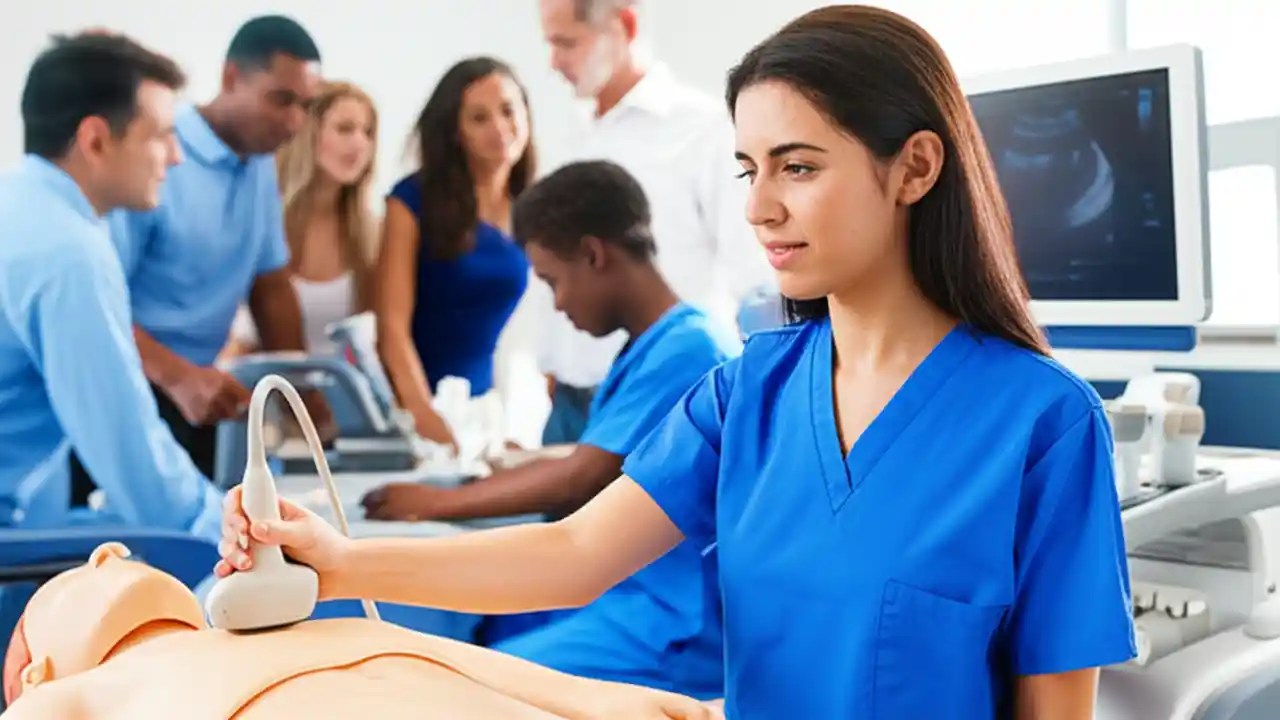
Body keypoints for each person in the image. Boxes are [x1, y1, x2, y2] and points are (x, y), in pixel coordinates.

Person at [216, 5, 1138, 718]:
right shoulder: (748, 394)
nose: (759, 207)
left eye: (798, 167)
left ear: (916, 168)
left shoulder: (1042, 425)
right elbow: (574, 553)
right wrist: (337, 564)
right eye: (748, 169)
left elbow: (1057, 707)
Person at [361, 161, 736, 697]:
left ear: (593, 255)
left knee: (465, 683)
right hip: (630, 592)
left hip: (672, 624)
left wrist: (434, 502)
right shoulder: (654, 345)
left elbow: (584, 476)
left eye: (553, 281)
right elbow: (609, 458)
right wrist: (519, 465)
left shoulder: (690, 349)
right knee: (475, 626)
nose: (558, 304)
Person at [2, 542, 719, 719]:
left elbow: (497, 674)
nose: (106, 555)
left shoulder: (326, 633)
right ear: (38, 674)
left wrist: (612, 701)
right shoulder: (82, 697)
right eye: (60, 592)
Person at [0, 32, 221, 539]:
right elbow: (133, 460)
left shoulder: (20, 206)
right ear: (96, 140)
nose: (176, 157)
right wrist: (236, 526)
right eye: (161, 136)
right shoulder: (67, 252)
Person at [100, 15, 329, 485]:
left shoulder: (260, 163)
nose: (294, 122)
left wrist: (304, 395)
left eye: (306, 105)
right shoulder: (157, 152)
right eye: (281, 100)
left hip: (200, 393)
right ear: (230, 78)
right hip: (127, 387)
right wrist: (178, 376)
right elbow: (96, 301)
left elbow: (270, 285)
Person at [533, 0, 772, 445]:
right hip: (569, 402)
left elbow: (755, 278)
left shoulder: (702, 130)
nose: (554, 62)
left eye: (567, 43)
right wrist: (551, 361)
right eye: (550, 43)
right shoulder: (573, 132)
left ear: (623, 25)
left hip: (664, 403)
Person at [376, 57, 535, 451]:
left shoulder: (531, 208)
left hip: (483, 415)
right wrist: (427, 419)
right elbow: (392, 331)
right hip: (413, 415)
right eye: (479, 118)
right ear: (454, 132)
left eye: (508, 110)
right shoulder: (410, 201)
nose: (499, 127)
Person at [222, 81, 380, 359]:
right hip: (264, 380)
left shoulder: (372, 234)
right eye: (345, 129)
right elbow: (239, 338)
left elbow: (376, 345)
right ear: (307, 134)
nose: (360, 143)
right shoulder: (263, 222)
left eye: (367, 132)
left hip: (343, 383)